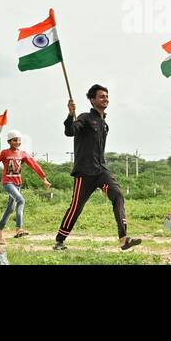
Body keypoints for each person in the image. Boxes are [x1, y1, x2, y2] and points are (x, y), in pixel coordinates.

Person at [54, 84, 142, 251]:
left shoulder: (104, 124)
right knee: (76, 207)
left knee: (117, 194)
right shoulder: (85, 118)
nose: (105, 99)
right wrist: (70, 115)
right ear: (92, 100)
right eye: (101, 96)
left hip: (101, 170)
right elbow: (70, 131)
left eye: (107, 96)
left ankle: (123, 238)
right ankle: (60, 240)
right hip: (84, 172)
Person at [0, 131, 51, 244]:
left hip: (18, 183)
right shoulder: (4, 153)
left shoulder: (23, 154)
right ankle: (19, 229)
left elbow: (34, 165)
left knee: (10, 208)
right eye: (15, 140)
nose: (17, 142)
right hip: (8, 183)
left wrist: (44, 178)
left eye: (19, 140)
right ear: (9, 141)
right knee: (21, 200)